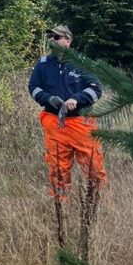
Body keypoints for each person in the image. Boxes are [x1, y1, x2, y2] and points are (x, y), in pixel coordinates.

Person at [28, 24, 107, 200]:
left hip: (81, 123)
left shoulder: (82, 63)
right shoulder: (42, 64)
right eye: (50, 37)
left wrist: (77, 99)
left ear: (68, 41)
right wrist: (48, 98)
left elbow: (96, 89)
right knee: (57, 168)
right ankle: (61, 205)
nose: (51, 40)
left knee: (93, 166)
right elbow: (33, 87)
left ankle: (98, 202)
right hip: (54, 123)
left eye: (56, 37)